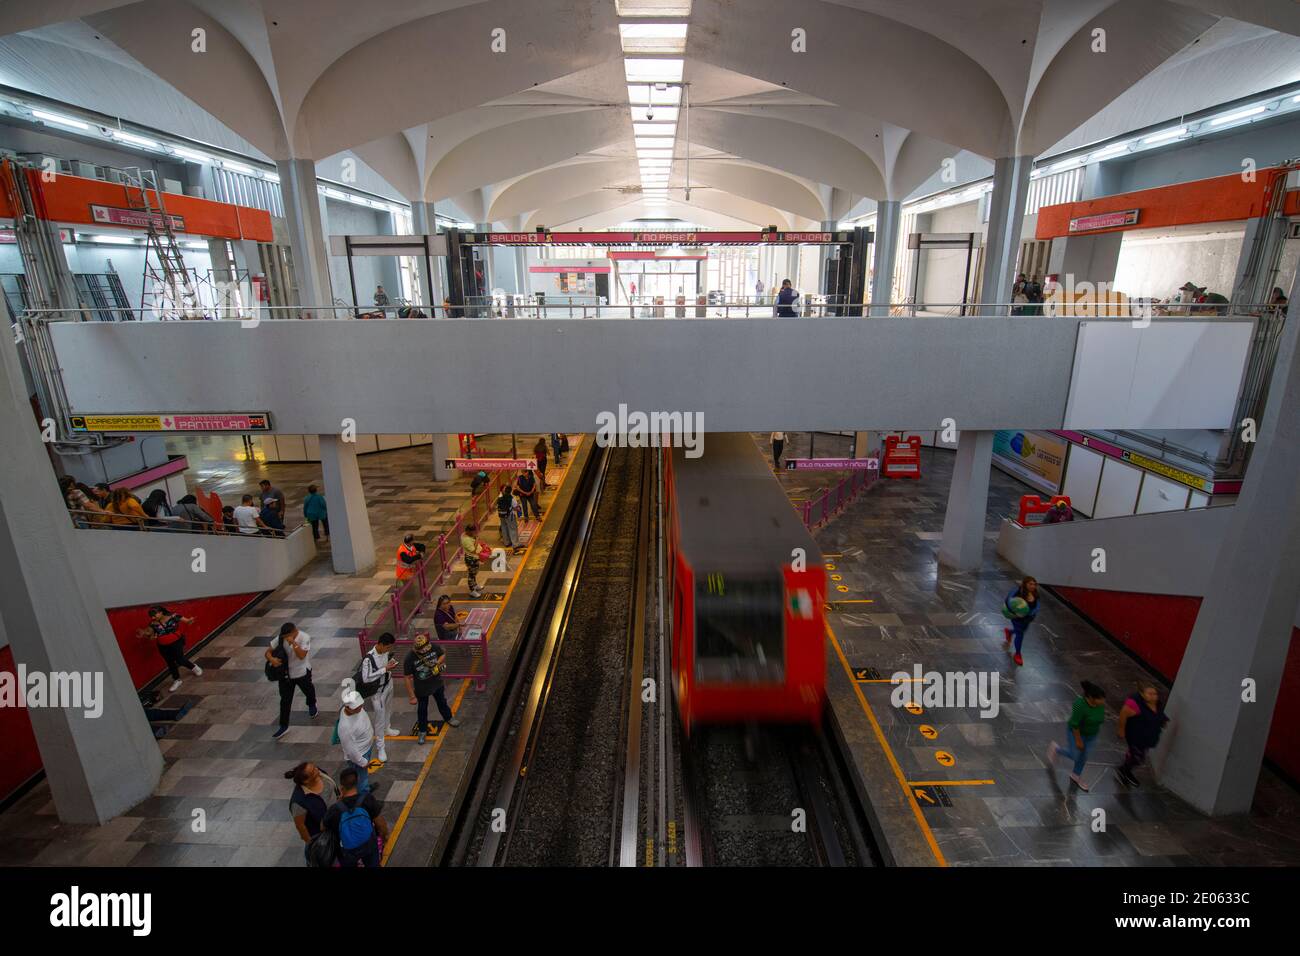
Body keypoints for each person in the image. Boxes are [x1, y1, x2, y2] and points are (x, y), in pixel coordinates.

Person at [321, 767, 387, 868]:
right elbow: (380, 823)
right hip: (369, 843)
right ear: (357, 782)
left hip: (348, 849)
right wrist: (384, 836)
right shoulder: (367, 799)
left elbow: (322, 827)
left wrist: (338, 802)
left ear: (341, 787)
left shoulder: (335, 809)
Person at [1047, 680, 1106, 790]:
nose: (1103, 701)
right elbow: (1074, 724)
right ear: (1091, 698)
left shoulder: (1100, 705)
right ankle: (1056, 749)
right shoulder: (1079, 705)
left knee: (1084, 756)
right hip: (1076, 733)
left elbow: (1099, 718)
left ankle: (1076, 775)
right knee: (1075, 754)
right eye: (1100, 699)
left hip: (1091, 735)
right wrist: (1078, 740)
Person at [403, 633, 460, 744]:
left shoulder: (434, 647)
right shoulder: (410, 657)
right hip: (421, 688)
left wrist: (437, 663)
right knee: (422, 709)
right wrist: (411, 696)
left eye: (426, 648)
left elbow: (443, 654)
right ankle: (422, 731)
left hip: (436, 683)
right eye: (422, 649)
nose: (425, 650)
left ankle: (449, 718)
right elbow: (407, 677)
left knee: (442, 702)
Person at [267, 621, 318, 739]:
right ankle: (283, 726)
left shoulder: (304, 637)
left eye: (287, 636)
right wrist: (272, 659)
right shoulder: (280, 638)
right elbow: (268, 651)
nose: (285, 638)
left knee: (308, 690)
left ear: (294, 631)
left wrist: (293, 643)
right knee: (285, 700)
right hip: (286, 675)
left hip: (302, 672)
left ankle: (312, 704)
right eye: (284, 637)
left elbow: (301, 655)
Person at [1115, 680, 1169, 788]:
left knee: (1139, 756)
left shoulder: (1156, 703)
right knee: (1137, 757)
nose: (1153, 696)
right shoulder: (1134, 703)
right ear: (1142, 694)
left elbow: (1160, 714)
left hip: (1147, 737)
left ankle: (1125, 769)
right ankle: (1123, 770)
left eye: (1155, 694)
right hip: (1135, 736)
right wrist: (1121, 730)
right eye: (1150, 694)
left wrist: (1163, 721)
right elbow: (1123, 714)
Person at [137, 605, 203, 692]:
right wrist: (144, 634)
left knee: (180, 660)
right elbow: (151, 636)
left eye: (154, 615)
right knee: (170, 662)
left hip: (176, 642)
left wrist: (190, 621)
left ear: (160, 613)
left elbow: (188, 622)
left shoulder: (173, 616)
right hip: (162, 646)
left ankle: (194, 667)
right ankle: (177, 680)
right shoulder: (153, 623)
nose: (152, 617)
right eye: (151, 616)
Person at [359, 633, 399, 762]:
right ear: (381, 644)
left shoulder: (385, 653)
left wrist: (390, 664)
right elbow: (366, 678)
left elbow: (385, 664)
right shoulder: (368, 659)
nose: (389, 650)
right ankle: (380, 746)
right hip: (378, 692)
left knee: (389, 709)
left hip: (388, 685)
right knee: (379, 719)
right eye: (387, 647)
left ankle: (388, 728)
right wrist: (384, 669)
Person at [286, 762, 338, 854]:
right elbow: (300, 826)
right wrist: (311, 844)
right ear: (306, 781)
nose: (317, 770)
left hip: (334, 824)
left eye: (315, 767)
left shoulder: (320, 774)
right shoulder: (298, 802)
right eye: (313, 771)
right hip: (321, 834)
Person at [337, 689, 376, 794]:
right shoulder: (345, 727)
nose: (360, 708)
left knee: (364, 776)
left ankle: (365, 789)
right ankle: (364, 798)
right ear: (347, 708)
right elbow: (350, 750)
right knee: (361, 779)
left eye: (361, 705)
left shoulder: (356, 709)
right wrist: (362, 762)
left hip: (366, 748)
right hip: (360, 755)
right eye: (357, 707)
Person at [1002, 575, 1040, 667]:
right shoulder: (1018, 592)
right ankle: (1018, 654)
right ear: (1025, 584)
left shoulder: (1035, 593)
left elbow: (1037, 605)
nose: (1033, 586)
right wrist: (1014, 613)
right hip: (1017, 618)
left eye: (1034, 584)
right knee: (1020, 634)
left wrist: (1033, 613)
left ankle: (1009, 632)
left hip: (1028, 618)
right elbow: (1008, 601)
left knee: (1021, 631)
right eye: (1030, 584)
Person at [460, 523, 486, 598]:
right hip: (471, 559)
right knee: (471, 575)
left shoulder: (468, 535)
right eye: (473, 532)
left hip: (474, 558)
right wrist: (477, 539)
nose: (474, 533)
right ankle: (472, 590)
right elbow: (473, 550)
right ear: (468, 531)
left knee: (474, 573)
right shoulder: (466, 540)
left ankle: (475, 585)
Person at [496, 483, 522, 553]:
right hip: (509, 515)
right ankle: (515, 544)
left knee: (504, 528)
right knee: (513, 528)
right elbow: (516, 507)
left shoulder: (499, 496)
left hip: (501, 515)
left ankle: (507, 542)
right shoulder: (510, 497)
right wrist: (518, 508)